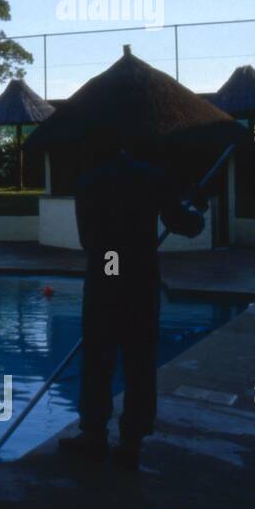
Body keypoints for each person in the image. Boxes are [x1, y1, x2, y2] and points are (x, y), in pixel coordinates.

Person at [58, 127, 206, 471]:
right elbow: (185, 224)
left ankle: (93, 434)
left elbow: (86, 240)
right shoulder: (153, 178)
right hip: (139, 282)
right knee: (139, 364)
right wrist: (196, 209)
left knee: (97, 360)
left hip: (102, 283)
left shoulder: (88, 182)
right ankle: (131, 441)